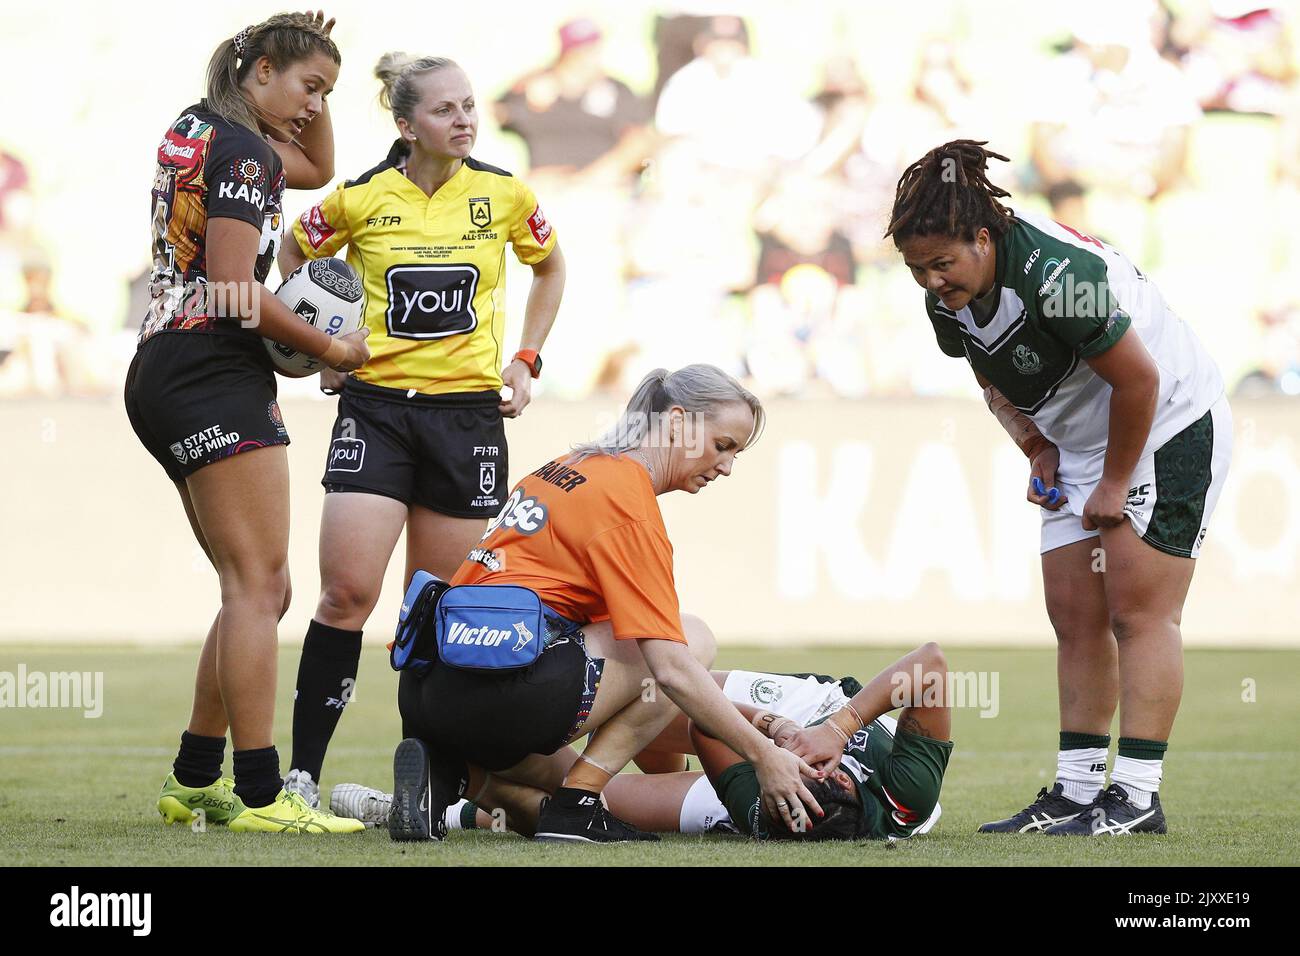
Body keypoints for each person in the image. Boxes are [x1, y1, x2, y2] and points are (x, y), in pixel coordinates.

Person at [885, 140, 1231, 836]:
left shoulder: (1055, 277)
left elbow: (1139, 380)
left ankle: (1135, 797)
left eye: (942, 263)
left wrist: (1112, 481)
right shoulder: (946, 294)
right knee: (1073, 616)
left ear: (983, 238)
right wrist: (1037, 445)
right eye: (917, 268)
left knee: (1139, 613)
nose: (931, 281)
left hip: (1164, 424)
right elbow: (989, 376)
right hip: (1081, 439)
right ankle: (1075, 792)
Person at [277, 53, 566, 807]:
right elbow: (292, 252)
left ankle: (431, 789)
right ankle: (302, 777)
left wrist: (527, 359)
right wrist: (323, 350)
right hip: (376, 410)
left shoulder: (504, 195)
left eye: (469, 106)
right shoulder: (362, 197)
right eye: (445, 110)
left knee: (437, 610)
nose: (464, 119)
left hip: (467, 420)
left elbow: (551, 267)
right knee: (346, 595)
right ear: (406, 126)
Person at [389, 365, 824, 843]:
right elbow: (673, 670)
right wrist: (764, 753)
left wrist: (761, 722)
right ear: (677, 421)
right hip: (499, 698)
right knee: (689, 638)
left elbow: (645, 692)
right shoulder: (627, 501)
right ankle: (579, 804)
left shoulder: (567, 466)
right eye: (723, 446)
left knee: (598, 788)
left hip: (426, 692)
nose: (726, 467)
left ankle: (451, 774)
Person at [128, 12, 370, 834]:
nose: (314, 106)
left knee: (254, 590)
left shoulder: (199, 127)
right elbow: (236, 287)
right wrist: (327, 346)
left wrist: (318, 81)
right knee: (260, 586)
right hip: (209, 369)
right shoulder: (246, 152)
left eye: (327, 94)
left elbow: (319, 166)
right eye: (308, 87)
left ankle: (197, 778)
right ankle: (264, 796)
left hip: (164, 364)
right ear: (260, 71)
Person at [334, 645, 953, 843]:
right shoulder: (909, 795)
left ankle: (456, 788)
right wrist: (827, 728)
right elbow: (930, 664)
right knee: (660, 684)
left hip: (760, 760)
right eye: (819, 771)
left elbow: (709, 722)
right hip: (811, 708)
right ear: (843, 776)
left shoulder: (767, 815)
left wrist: (764, 748)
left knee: (594, 794)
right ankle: (518, 720)